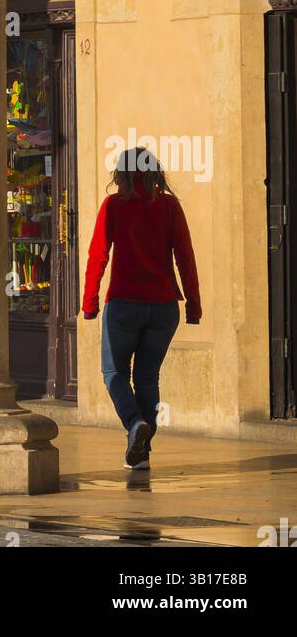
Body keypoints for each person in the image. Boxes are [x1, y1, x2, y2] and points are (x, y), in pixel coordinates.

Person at [81, 146, 201, 470]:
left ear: (120, 173)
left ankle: (135, 424)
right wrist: (194, 306)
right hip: (163, 307)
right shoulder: (169, 205)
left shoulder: (114, 205)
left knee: (114, 373)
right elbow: (185, 257)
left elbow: (98, 256)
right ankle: (141, 455)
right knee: (148, 378)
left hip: (123, 304)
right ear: (154, 171)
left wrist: (89, 303)